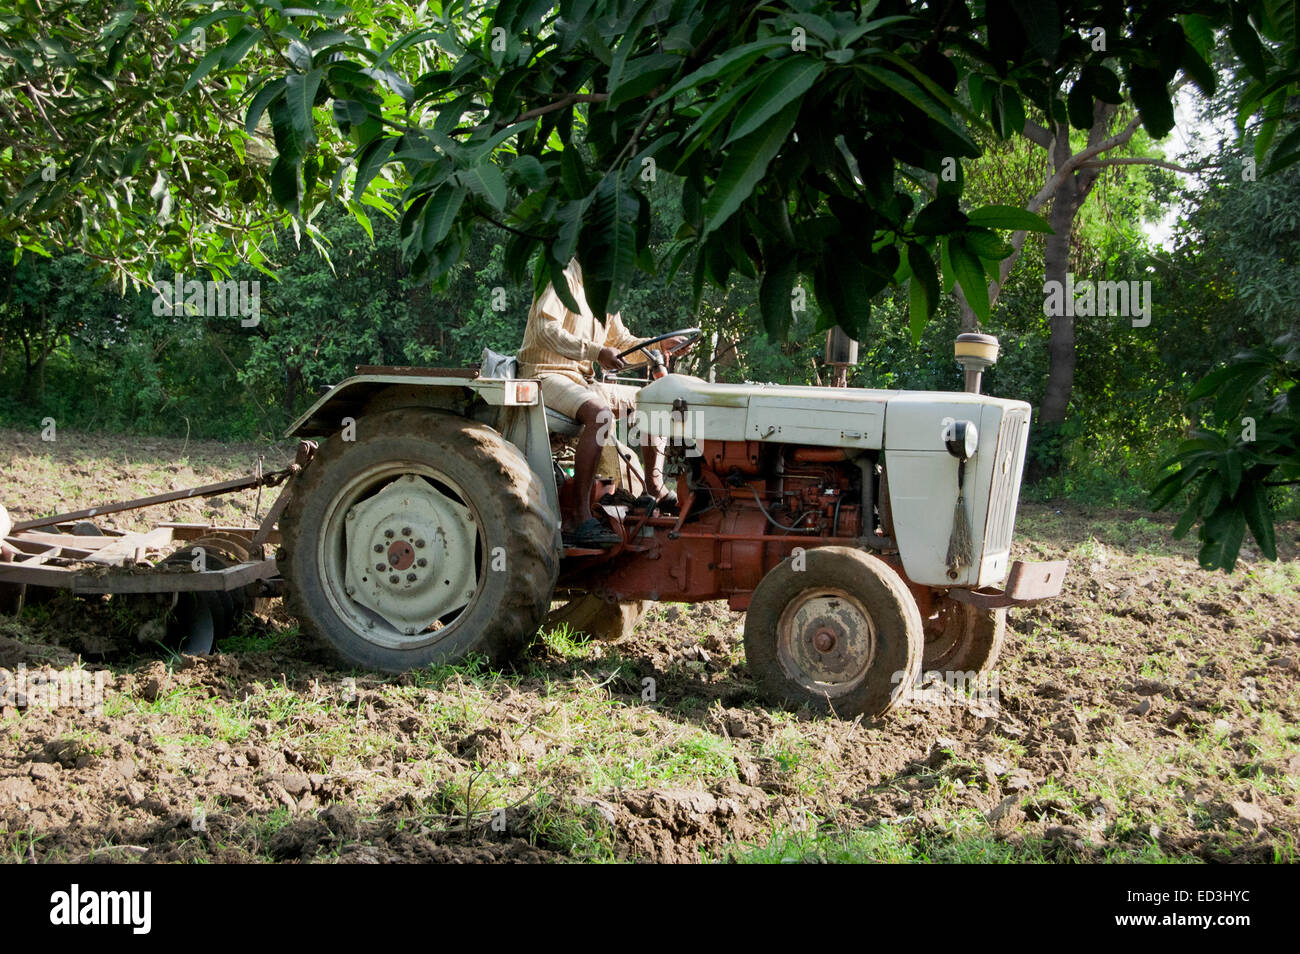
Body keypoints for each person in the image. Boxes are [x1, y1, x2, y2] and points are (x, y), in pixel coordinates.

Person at [518, 258, 685, 546]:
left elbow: (620, 343)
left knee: (654, 401)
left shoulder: (604, 288)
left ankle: (654, 488)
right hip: (545, 374)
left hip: (581, 379)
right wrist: (596, 351)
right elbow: (545, 330)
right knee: (601, 414)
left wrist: (659, 345)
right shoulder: (563, 276)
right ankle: (579, 517)